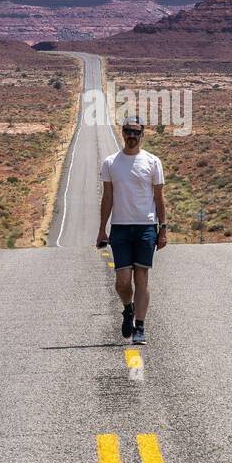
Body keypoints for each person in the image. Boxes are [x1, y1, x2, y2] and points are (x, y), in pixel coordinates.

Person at [97, 120, 167, 345]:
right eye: (127, 131)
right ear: (123, 133)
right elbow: (107, 198)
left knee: (141, 278)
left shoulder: (152, 162)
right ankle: (128, 308)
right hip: (120, 228)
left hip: (146, 227)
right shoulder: (110, 163)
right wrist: (101, 230)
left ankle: (140, 327)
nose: (131, 135)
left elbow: (159, 198)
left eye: (135, 132)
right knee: (122, 282)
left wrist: (163, 228)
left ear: (142, 134)